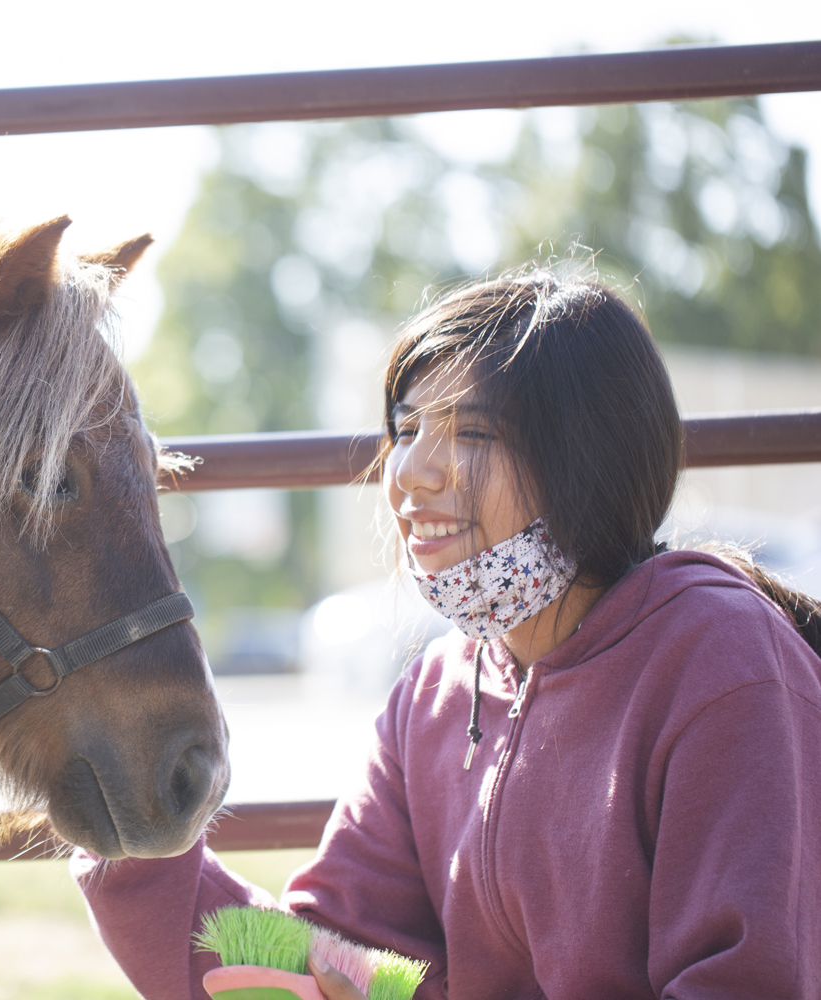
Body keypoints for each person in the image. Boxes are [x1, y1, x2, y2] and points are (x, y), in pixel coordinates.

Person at [73, 269, 821, 1000]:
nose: (410, 473)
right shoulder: (434, 693)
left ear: (590, 457)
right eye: (406, 429)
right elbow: (329, 960)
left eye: (472, 432)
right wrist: (128, 821)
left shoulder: (724, 660)